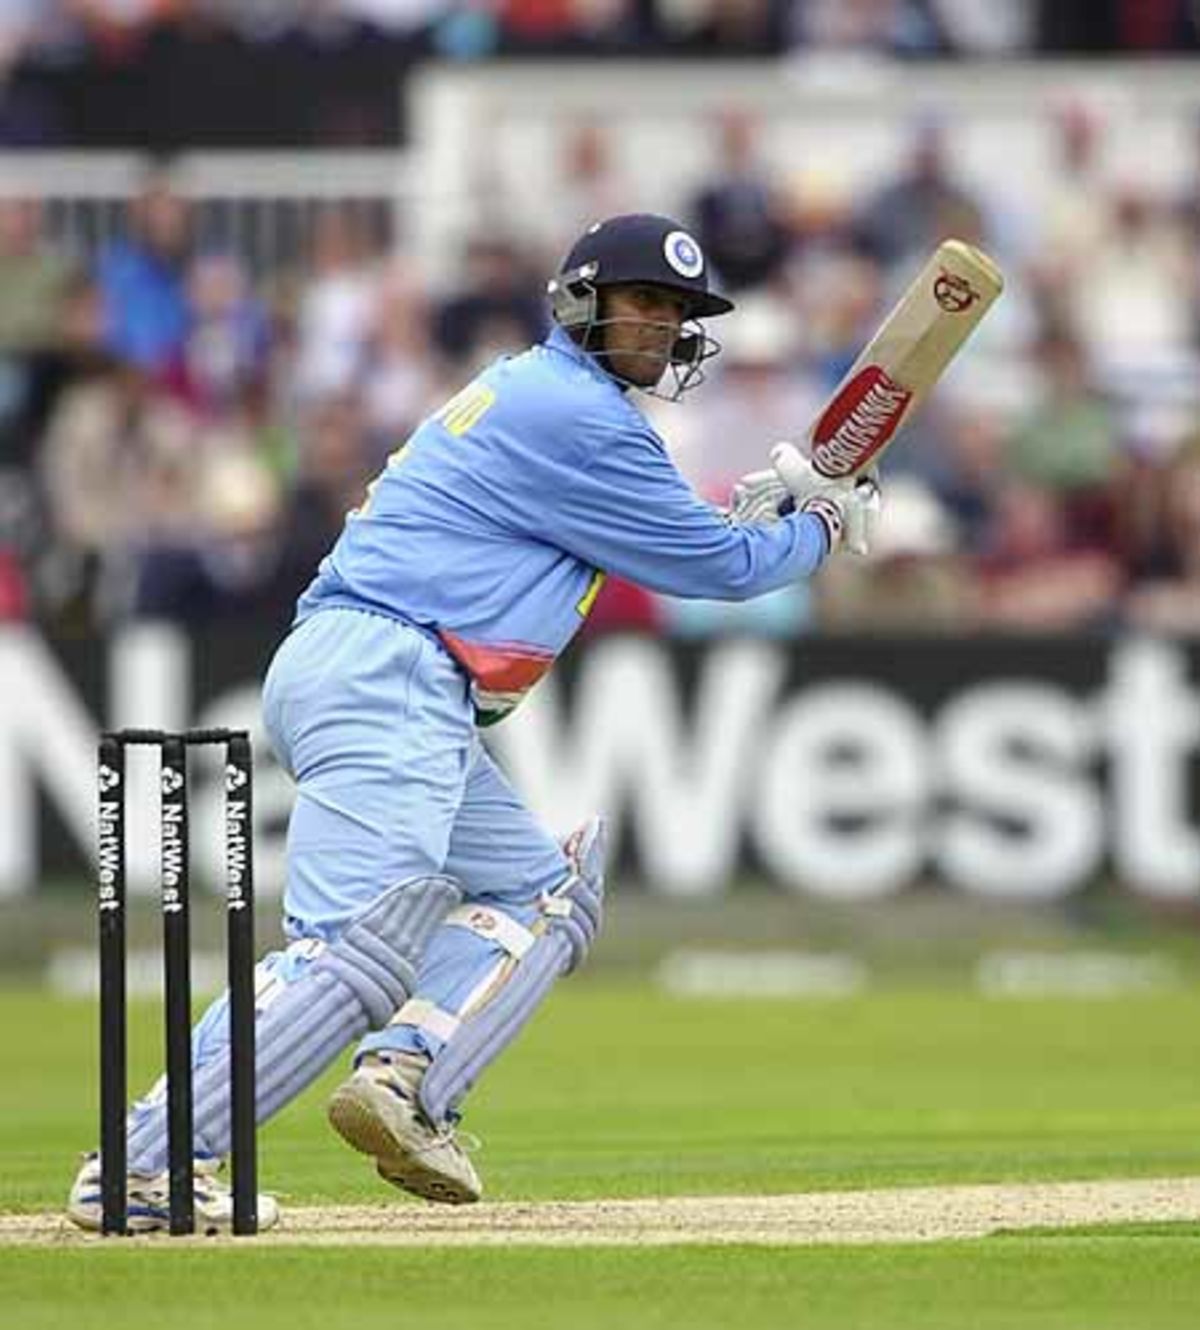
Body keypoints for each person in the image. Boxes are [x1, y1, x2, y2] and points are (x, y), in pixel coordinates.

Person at [67, 212, 881, 1231]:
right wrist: (822, 525)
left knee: (543, 889)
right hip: (391, 668)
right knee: (354, 949)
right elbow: (719, 567)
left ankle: (406, 1079)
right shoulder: (581, 415)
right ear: (581, 304)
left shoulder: (541, 393)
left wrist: (771, 514)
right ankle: (147, 1166)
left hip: (390, 675)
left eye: (677, 313)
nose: (663, 329)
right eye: (643, 304)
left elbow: (690, 535)